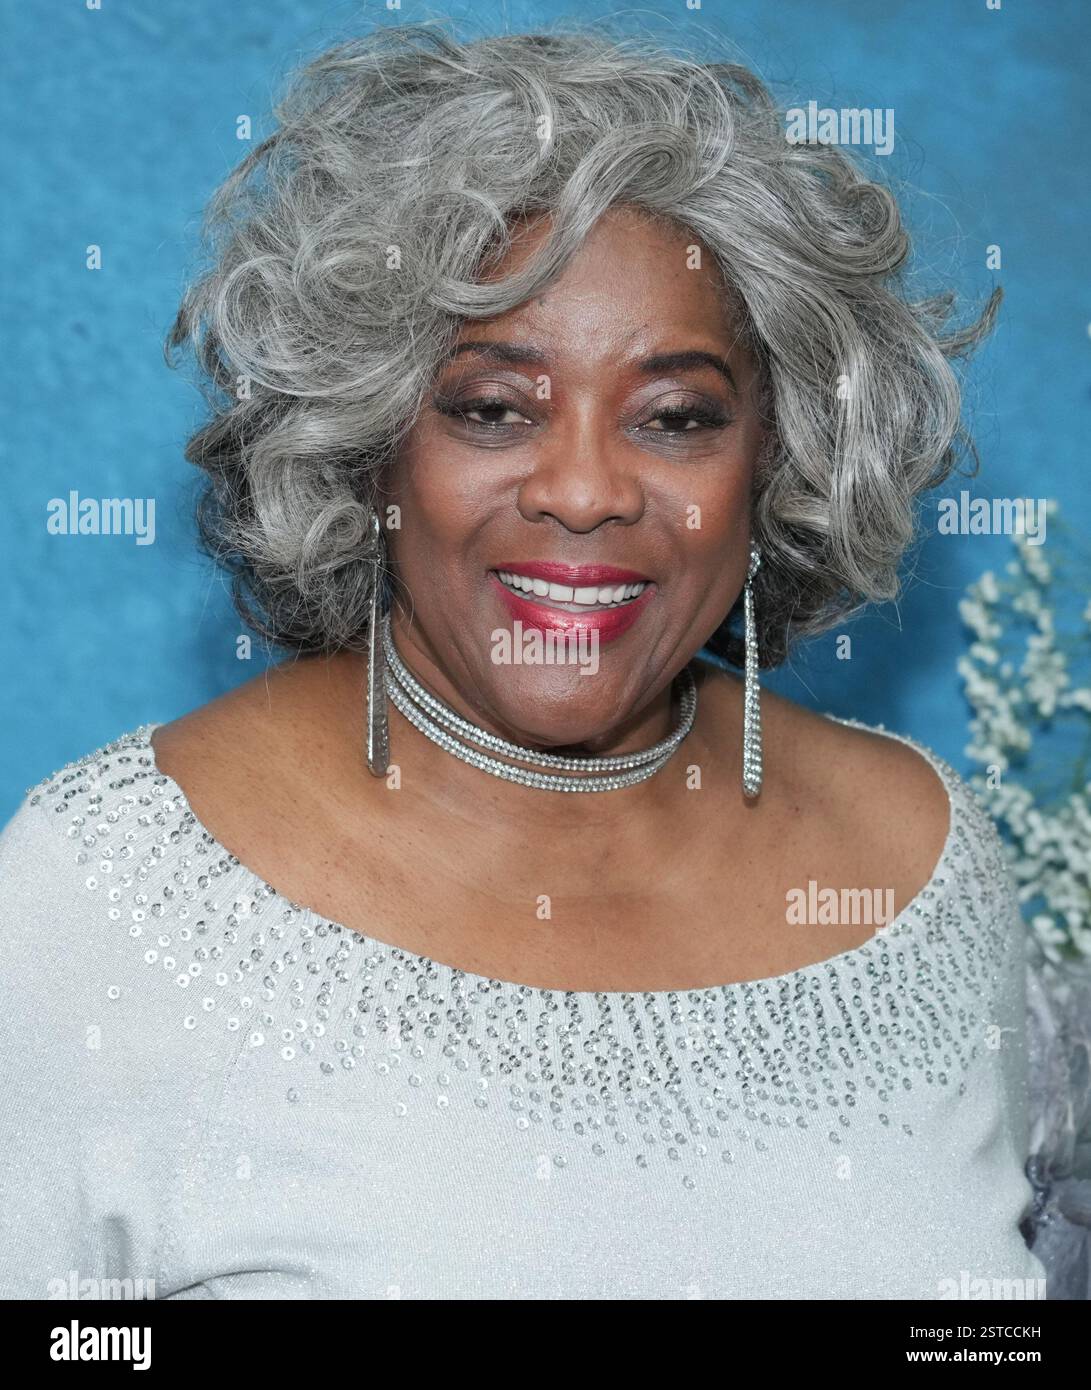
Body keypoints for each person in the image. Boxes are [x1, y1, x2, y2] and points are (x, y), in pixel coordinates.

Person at [0, 21, 1070, 1299]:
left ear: (771, 466)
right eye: (493, 408)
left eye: (675, 418)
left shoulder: (925, 869)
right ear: (370, 443)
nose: (580, 491)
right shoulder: (95, 902)